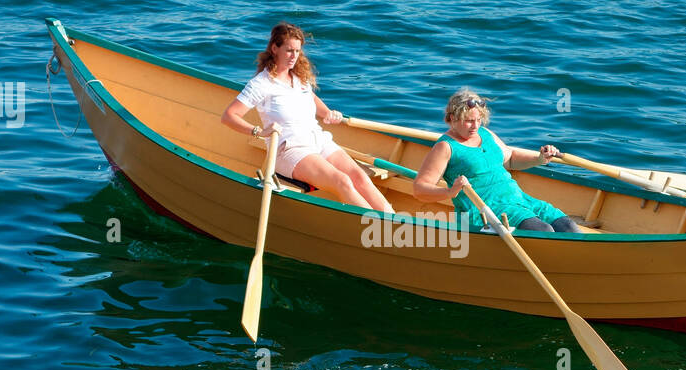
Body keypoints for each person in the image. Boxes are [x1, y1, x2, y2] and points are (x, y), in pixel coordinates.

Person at [221, 22, 393, 213]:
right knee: (341, 180)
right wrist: (259, 132)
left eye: (297, 51)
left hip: (317, 140)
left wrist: (327, 112)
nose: (294, 56)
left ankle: (396, 225)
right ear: (274, 48)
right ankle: (377, 230)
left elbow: (311, 98)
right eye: (289, 50)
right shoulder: (261, 84)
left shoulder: (299, 78)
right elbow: (229, 116)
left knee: (359, 177)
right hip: (289, 149)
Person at [413, 88, 581, 232]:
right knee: (543, 231)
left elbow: (511, 160)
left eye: (478, 120)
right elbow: (419, 189)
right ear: (452, 119)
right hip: (484, 210)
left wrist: (539, 158)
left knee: (568, 227)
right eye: (469, 121)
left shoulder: (486, 134)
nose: (475, 126)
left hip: (518, 200)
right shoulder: (445, 147)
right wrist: (450, 192)